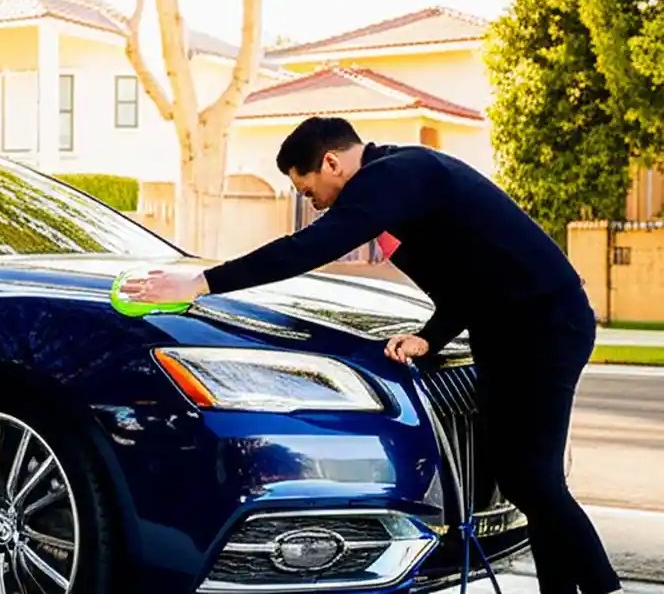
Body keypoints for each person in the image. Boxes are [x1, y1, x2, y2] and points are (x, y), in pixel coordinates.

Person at [121, 116, 621, 594]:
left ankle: (603, 587)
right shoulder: (398, 195)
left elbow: (307, 248)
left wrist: (203, 282)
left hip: (545, 325)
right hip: (507, 331)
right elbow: (463, 281)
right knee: (528, 481)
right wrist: (430, 337)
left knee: (533, 480)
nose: (316, 205)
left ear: (332, 162)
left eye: (309, 190)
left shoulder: (396, 174)